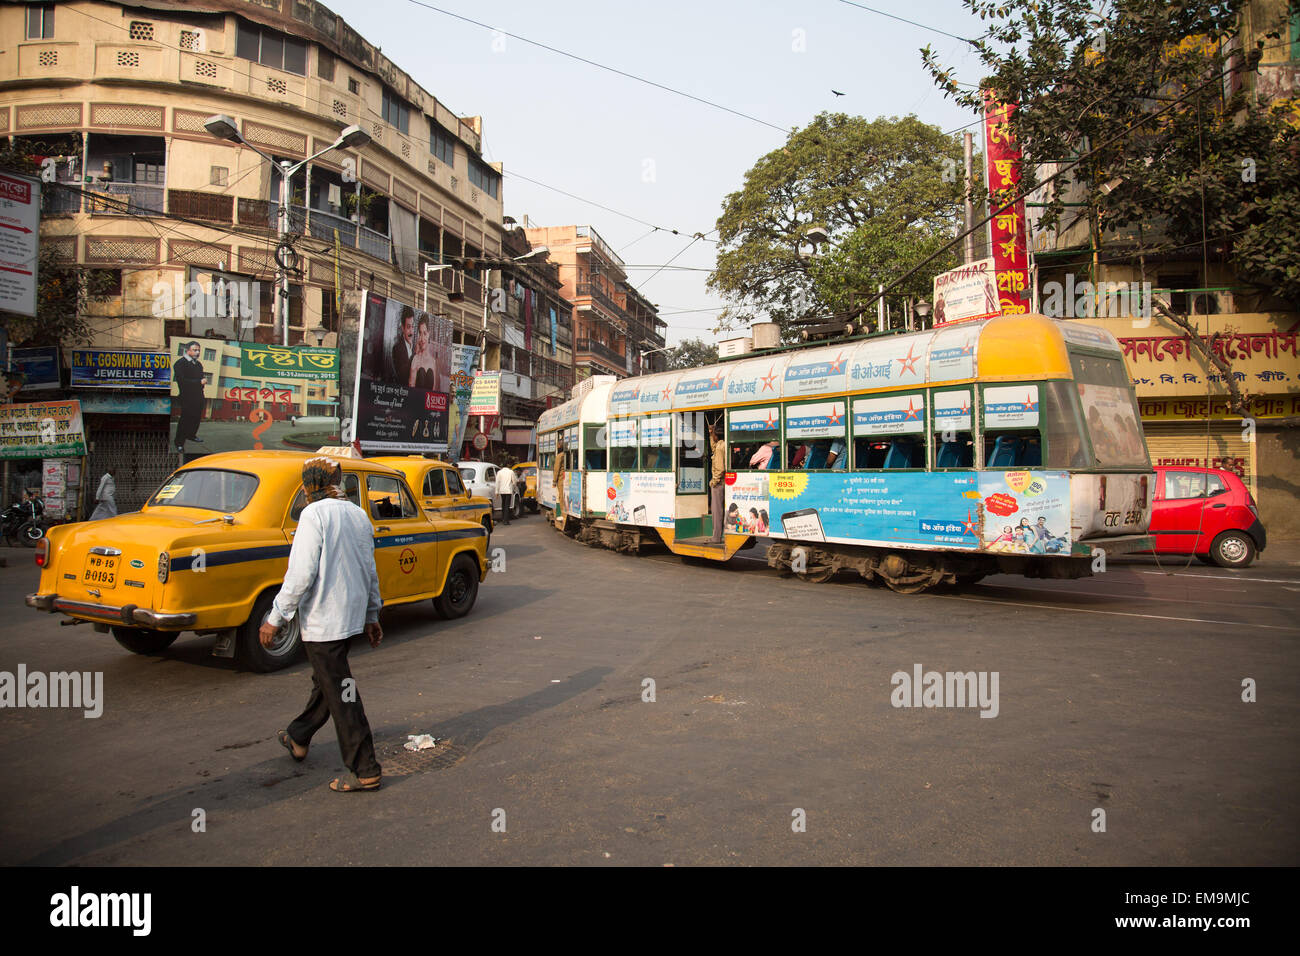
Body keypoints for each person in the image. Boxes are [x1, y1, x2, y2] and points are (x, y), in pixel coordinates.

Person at [264, 457, 384, 793]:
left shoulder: (313, 515)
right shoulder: (358, 515)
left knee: (342, 693)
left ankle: (365, 768)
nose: (303, 490)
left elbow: (301, 574)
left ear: (310, 486)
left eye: (304, 485)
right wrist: (373, 614)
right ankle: (298, 736)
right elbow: (369, 570)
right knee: (327, 683)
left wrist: (275, 618)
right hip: (350, 619)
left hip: (324, 621)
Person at [173, 341, 207, 451]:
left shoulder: (198, 364)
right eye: (195, 350)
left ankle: (191, 435)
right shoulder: (180, 363)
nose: (197, 352)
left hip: (198, 396)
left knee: (196, 418)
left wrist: (201, 385)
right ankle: (179, 443)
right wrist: (199, 382)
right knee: (185, 420)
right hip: (187, 397)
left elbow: (201, 379)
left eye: (198, 350)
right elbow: (182, 381)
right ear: (187, 351)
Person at [708, 422, 726, 544]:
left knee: (717, 511)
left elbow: (720, 468)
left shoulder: (720, 448)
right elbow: (713, 446)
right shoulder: (722, 444)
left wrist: (714, 481)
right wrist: (710, 434)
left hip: (719, 482)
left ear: (717, 435)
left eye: (713, 434)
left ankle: (716, 537)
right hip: (724, 481)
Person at [408, 314, 437, 390]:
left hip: (428, 400)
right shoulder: (415, 359)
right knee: (421, 371)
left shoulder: (433, 362)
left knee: (430, 372)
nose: (422, 338)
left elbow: (434, 390)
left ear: (429, 334)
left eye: (425, 333)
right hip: (416, 399)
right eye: (420, 333)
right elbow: (410, 388)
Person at [389, 307, 415, 385]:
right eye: (408, 327)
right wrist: (414, 356)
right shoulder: (397, 348)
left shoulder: (417, 345)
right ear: (403, 328)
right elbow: (402, 376)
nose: (411, 331)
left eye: (413, 326)